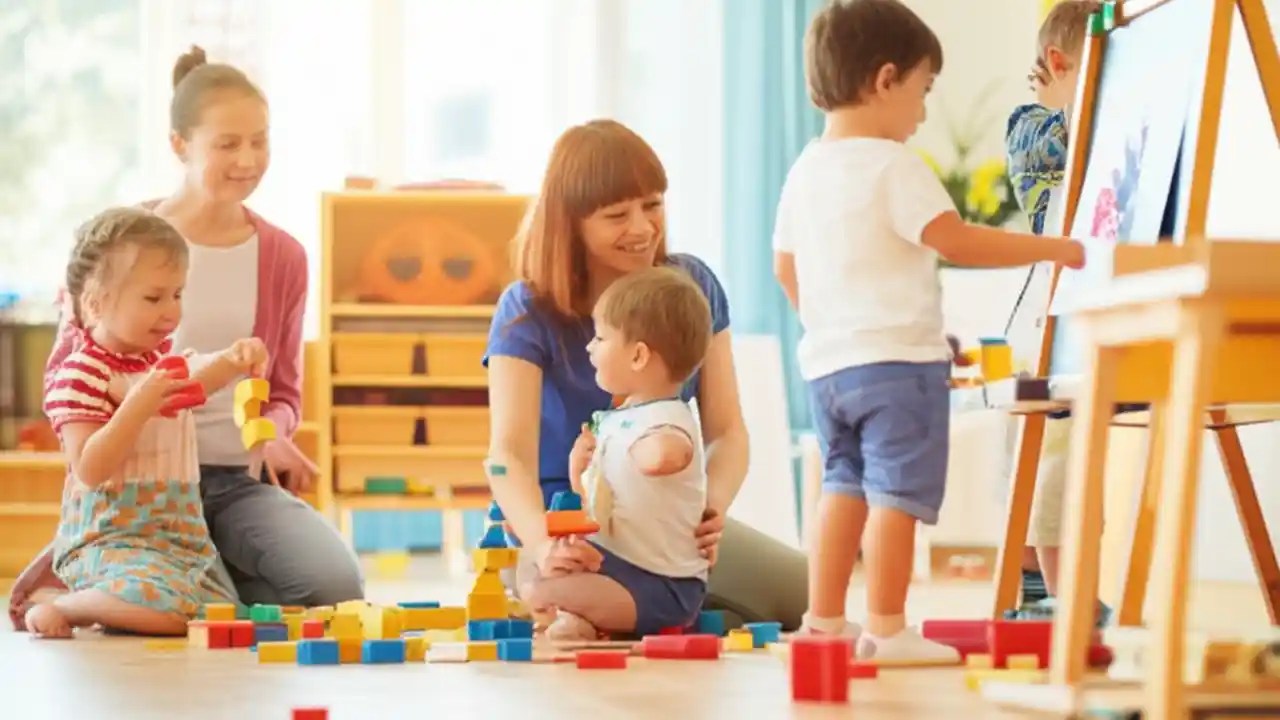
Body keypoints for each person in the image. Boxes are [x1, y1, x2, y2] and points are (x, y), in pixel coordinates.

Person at [8, 46, 363, 630]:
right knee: (228, 604)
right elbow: (71, 375)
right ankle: (118, 570)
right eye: (227, 143)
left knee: (332, 587)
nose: (248, 159)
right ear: (180, 145)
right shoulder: (119, 246)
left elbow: (282, 392)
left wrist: (272, 432)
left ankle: (167, 577)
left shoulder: (284, 256)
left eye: (260, 140)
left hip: (229, 478)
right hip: (134, 485)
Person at [772, 0, 1085, 661]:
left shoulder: (803, 170)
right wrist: (1055, 248)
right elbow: (957, 241)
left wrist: (831, 325)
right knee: (897, 494)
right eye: (922, 92)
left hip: (828, 366)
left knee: (842, 485)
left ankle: (824, 622)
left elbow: (784, 265)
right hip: (896, 367)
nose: (920, 113)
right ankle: (887, 628)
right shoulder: (893, 165)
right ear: (886, 80)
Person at [484, 118, 809, 631]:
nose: (642, 228)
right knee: (560, 594)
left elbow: (728, 432)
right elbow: (506, 458)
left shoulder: (691, 285)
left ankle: (660, 612)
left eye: (653, 205)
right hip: (563, 530)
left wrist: (710, 509)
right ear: (570, 223)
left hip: (663, 528)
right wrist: (542, 544)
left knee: (805, 595)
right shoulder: (527, 310)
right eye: (617, 215)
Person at [25, 207, 265, 638]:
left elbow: (200, 375)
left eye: (177, 294)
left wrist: (234, 359)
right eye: (154, 298)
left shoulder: (157, 364)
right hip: (109, 540)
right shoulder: (81, 374)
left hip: (175, 541)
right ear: (96, 304)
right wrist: (138, 403)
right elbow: (90, 468)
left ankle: (120, 603)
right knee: (174, 615)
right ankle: (68, 605)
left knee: (221, 614)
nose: (171, 312)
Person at [519, 266, 713, 639]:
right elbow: (600, 502)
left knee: (541, 591)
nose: (590, 348)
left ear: (638, 355)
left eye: (601, 339)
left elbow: (670, 454)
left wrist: (649, 454)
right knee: (533, 564)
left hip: (661, 585)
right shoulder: (618, 418)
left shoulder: (668, 417)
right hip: (615, 565)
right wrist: (580, 471)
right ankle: (579, 620)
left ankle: (573, 615)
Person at [1004, 0, 1112, 624]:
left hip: (1088, 316)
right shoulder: (1031, 127)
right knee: (1058, 458)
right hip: (1052, 325)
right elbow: (1079, 123)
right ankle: (1054, 599)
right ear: (1058, 64)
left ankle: (1048, 596)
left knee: (1075, 461)